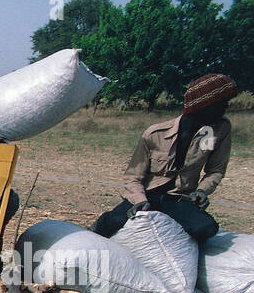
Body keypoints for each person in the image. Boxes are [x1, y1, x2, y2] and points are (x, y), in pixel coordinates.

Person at [92, 74, 237, 243]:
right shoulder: (155, 134)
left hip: (179, 199)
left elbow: (216, 170)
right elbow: (133, 176)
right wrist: (140, 200)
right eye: (222, 103)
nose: (226, 107)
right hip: (148, 195)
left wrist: (202, 191)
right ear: (203, 105)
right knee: (112, 223)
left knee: (206, 228)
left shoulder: (219, 130)